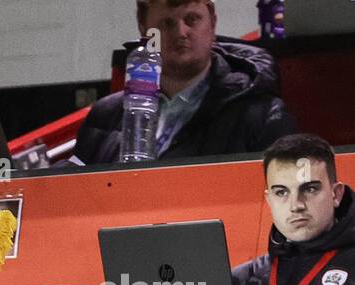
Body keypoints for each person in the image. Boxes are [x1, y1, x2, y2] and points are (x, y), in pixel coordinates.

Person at [74, 0, 295, 165]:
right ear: (143, 28)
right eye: (167, 23)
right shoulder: (104, 115)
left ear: (213, 23)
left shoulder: (262, 115)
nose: (181, 32)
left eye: (192, 20)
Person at [232, 133, 354, 285]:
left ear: (336, 194)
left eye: (310, 189)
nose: (296, 205)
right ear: (269, 200)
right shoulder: (240, 282)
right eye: (281, 192)